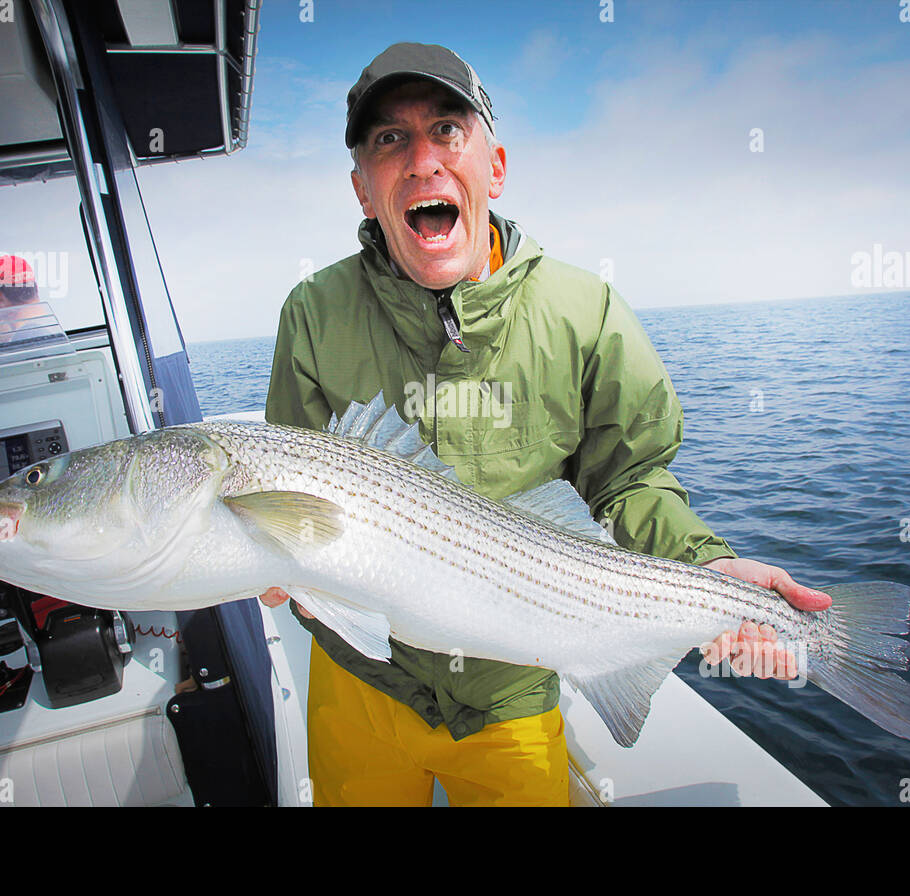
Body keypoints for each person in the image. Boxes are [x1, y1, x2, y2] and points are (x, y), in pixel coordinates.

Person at [262, 42, 832, 807]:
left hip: (515, 685)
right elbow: (283, 479)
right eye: (389, 139)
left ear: (494, 166)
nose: (423, 160)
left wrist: (708, 565)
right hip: (360, 681)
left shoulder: (585, 311)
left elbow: (630, 480)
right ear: (364, 189)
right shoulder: (312, 314)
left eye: (447, 131)